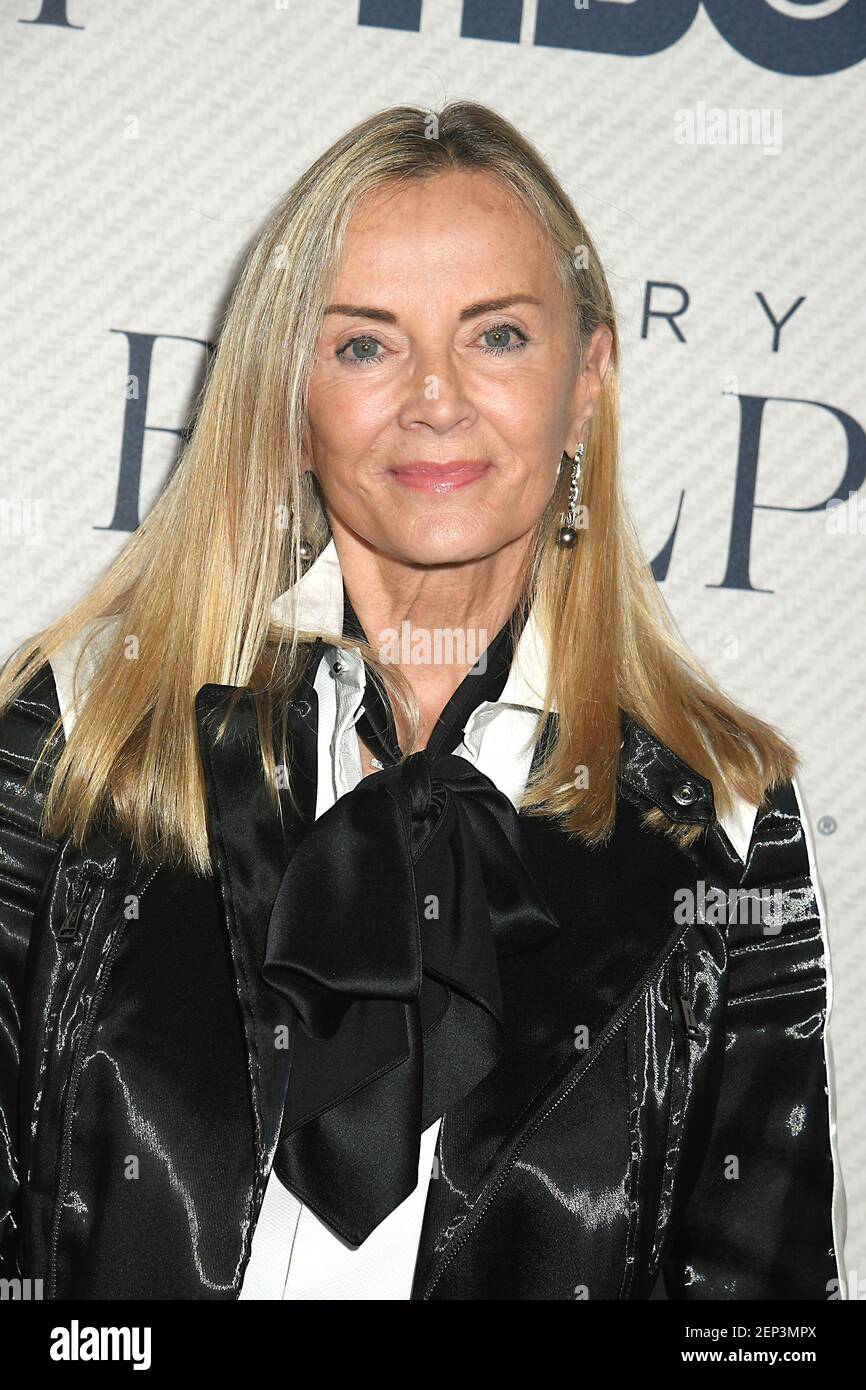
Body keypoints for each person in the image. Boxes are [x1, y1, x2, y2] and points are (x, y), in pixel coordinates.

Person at [0, 100, 845, 1300]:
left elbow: (759, 1305)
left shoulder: (719, 820)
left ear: (587, 381)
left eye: (495, 336)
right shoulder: (86, 732)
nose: (434, 397)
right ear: (289, 400)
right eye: (364, 344)